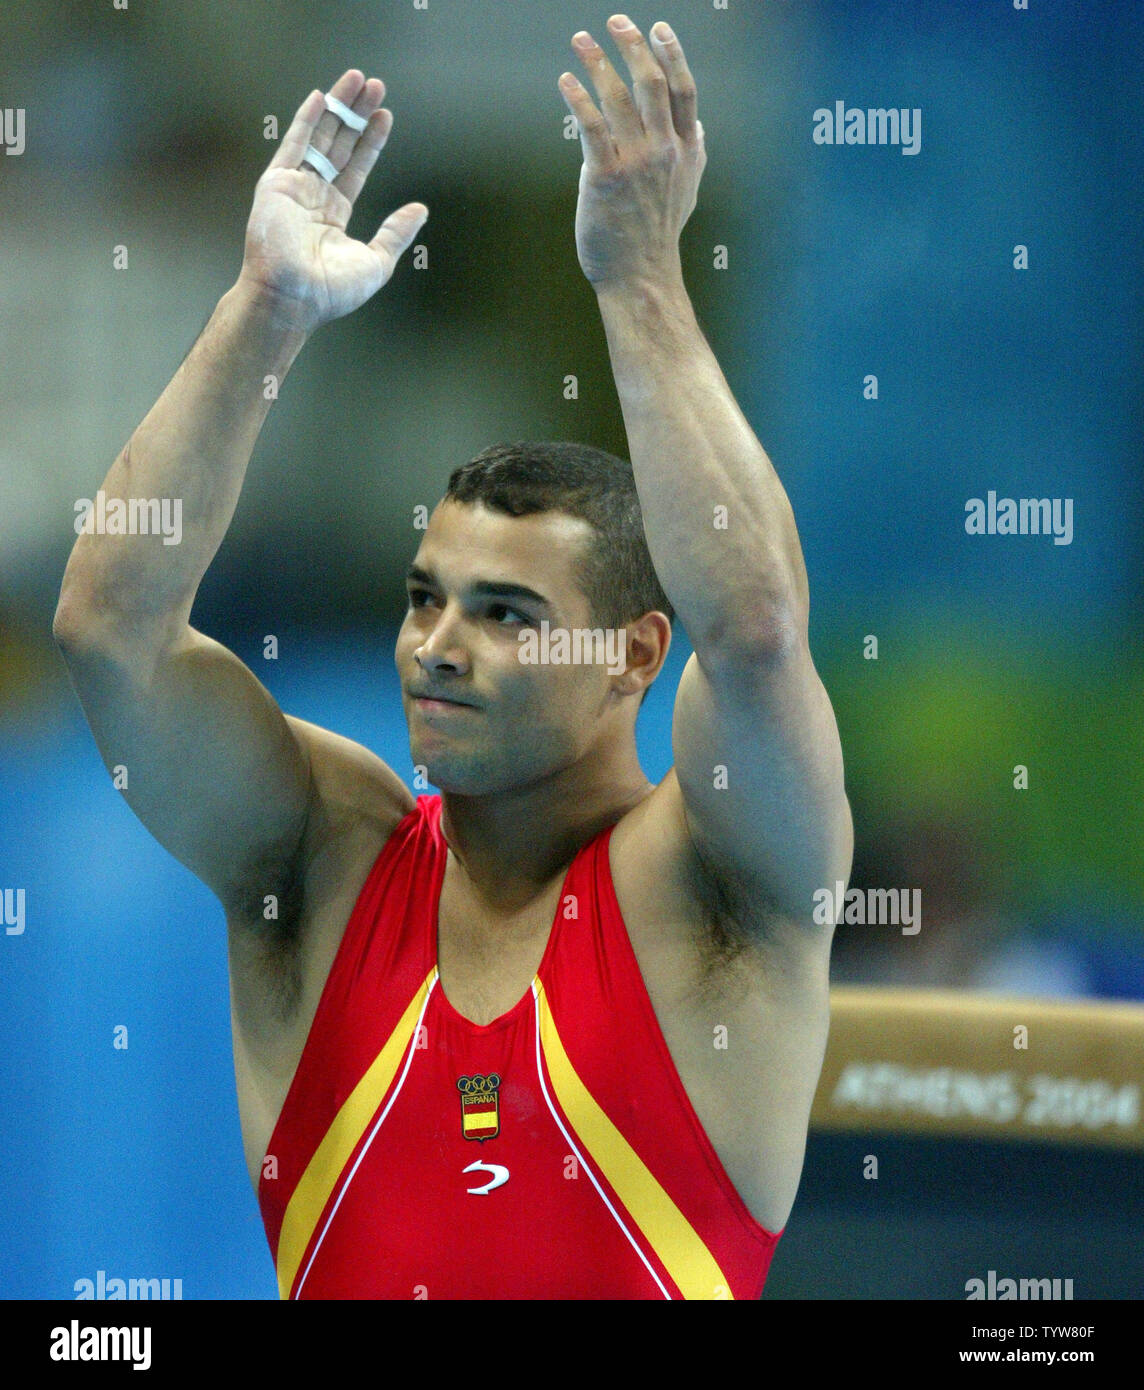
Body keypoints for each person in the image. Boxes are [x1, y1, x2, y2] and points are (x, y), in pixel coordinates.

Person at [54, 17, 852, 1300]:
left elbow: (755, 632)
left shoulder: (716, 897)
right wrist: (264, 311)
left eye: (507, 615)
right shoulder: (320, 862)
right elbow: (109, 628)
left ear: (634, 654)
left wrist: (640, 280)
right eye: (426, 597)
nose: (437, 646)